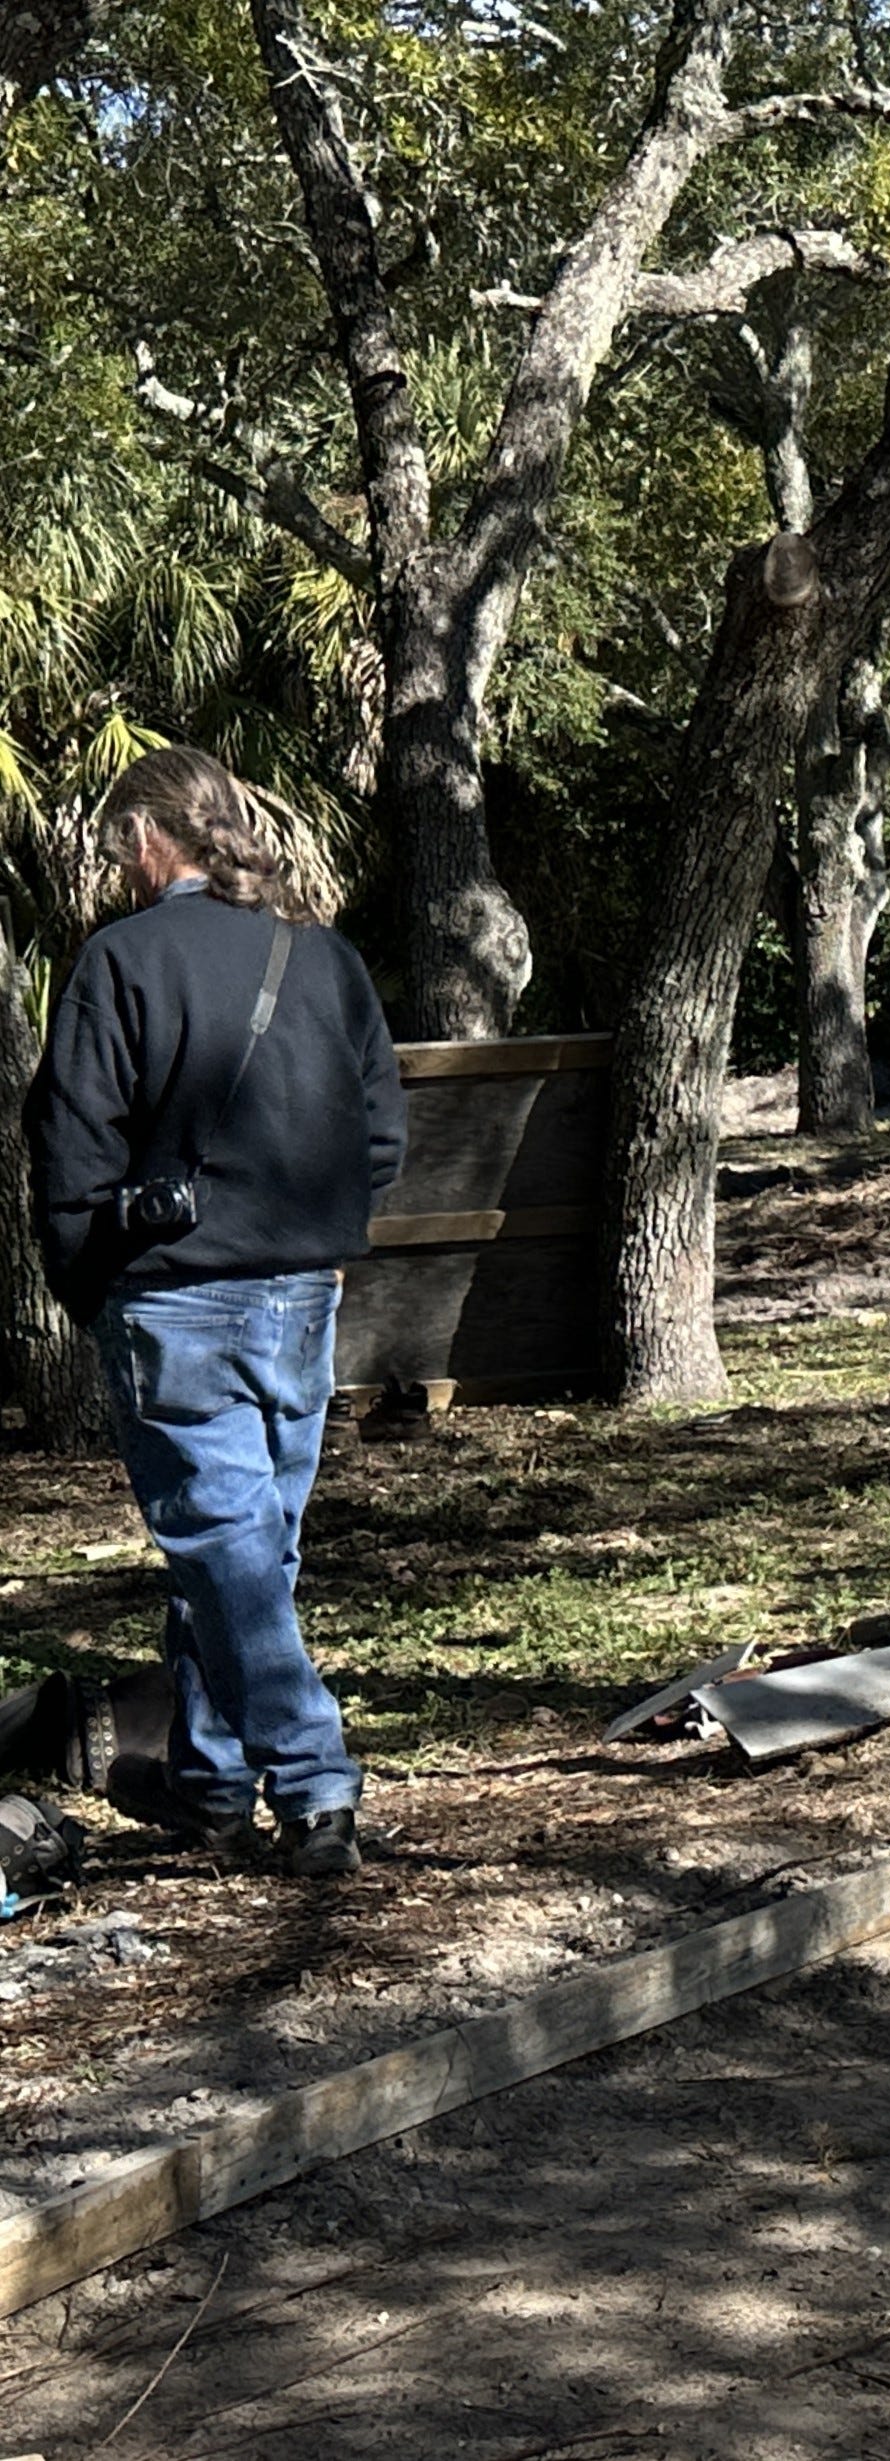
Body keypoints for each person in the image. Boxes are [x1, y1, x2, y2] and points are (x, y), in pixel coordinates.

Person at [23, 747, 405, 1877]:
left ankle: (313, 1775)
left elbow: (70, 1142)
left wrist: (85, 1279)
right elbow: (381, 1131)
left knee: (230, 1550)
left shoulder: (120, 961)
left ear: (150, 840)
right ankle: (210, 1781)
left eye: (114, 847)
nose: (112, 867)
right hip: (302, 1295)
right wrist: (321, 1237)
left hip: (174, 1299)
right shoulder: (323, 958)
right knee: (249, 1549)